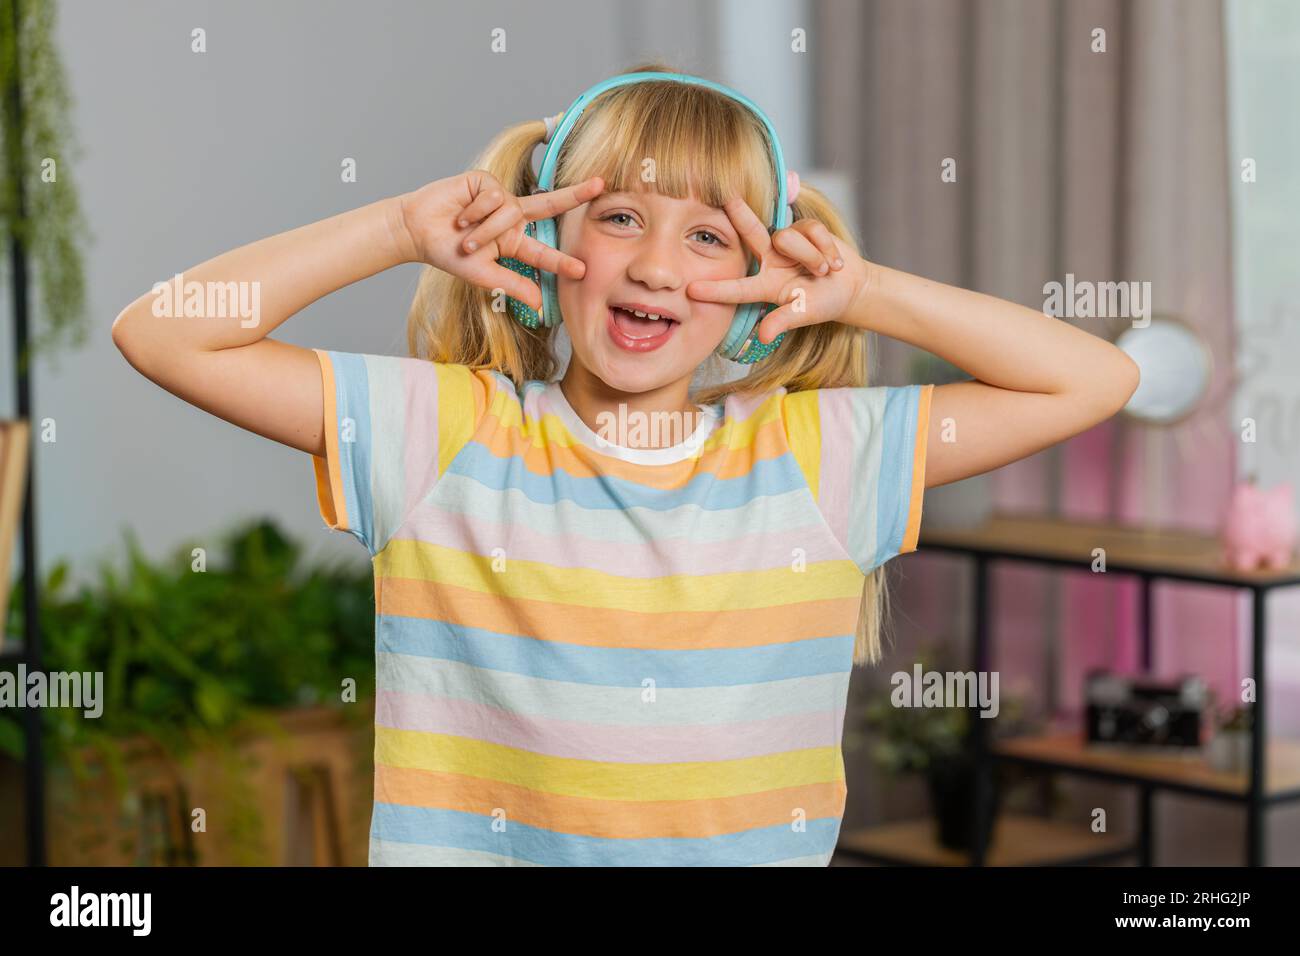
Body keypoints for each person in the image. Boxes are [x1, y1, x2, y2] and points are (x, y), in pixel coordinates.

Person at [112, 64, 1139, 866]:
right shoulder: (446, 434)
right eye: (618, 217)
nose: (654, 265)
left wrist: (862, 290)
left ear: (759, 274)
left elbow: (1091, 379)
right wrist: (390, 231)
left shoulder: (820, 454)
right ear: (552, 237)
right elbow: (164, 334)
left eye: (706, 235)